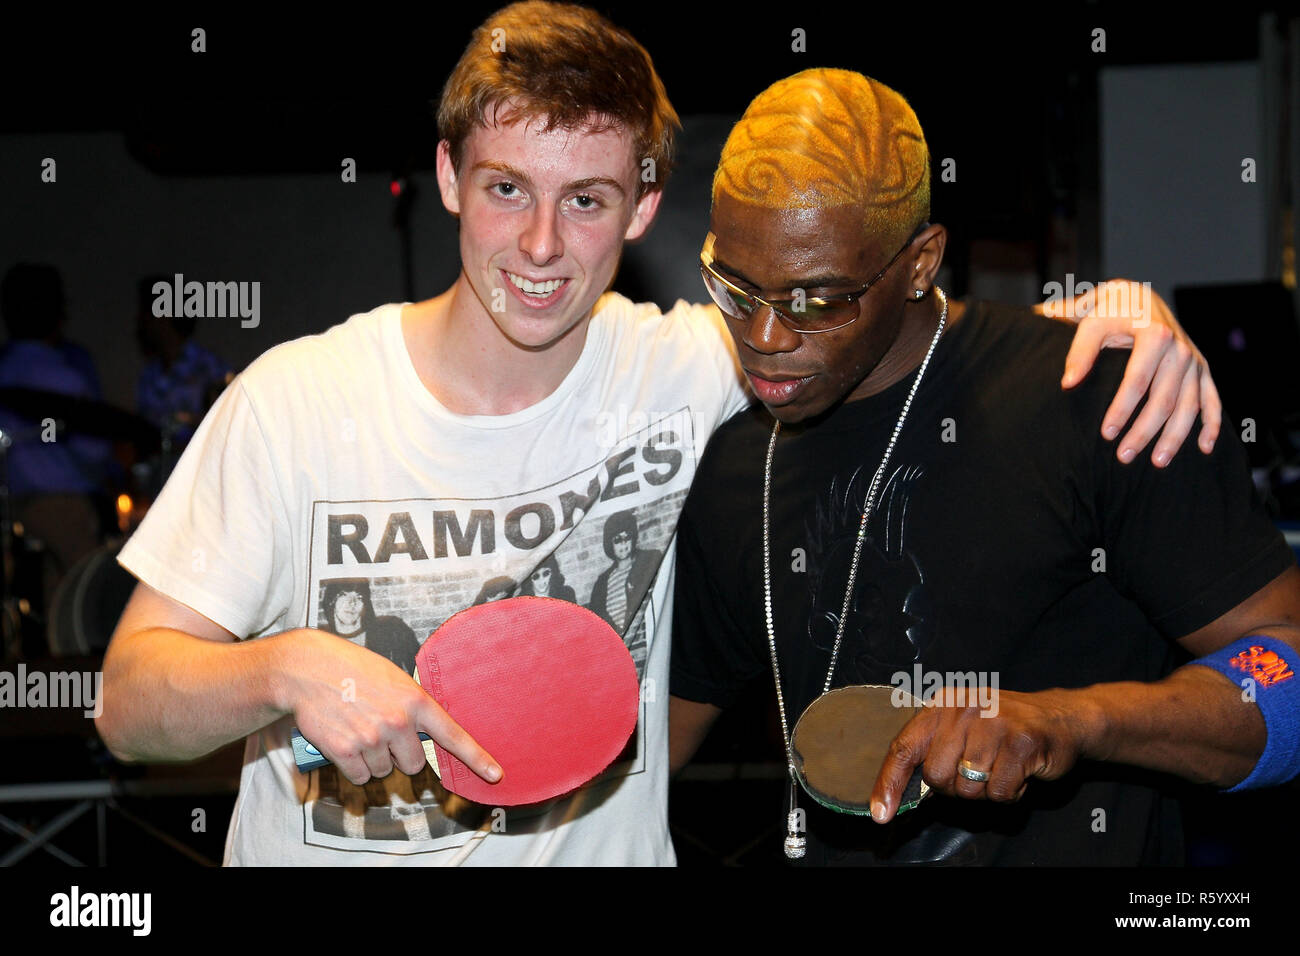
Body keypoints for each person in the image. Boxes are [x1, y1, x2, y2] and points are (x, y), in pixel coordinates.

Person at [97, 3, 1221, 866]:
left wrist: (1116, 313)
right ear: (447, 176)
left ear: (641, 207)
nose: (540, 244)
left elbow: (880, 323)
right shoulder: (296, 397)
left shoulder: (696, 362)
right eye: (505, 188)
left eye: (584, 198)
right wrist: (282, 666)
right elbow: (130, 702)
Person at [669, 68, 1300, 865]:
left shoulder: (1096, 400)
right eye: (733, 285)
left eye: (816, 300)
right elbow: (653, 744)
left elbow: (1290, 676)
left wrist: (1072, 721)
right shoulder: (736, 465)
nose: (762, 335)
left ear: (922, 261)